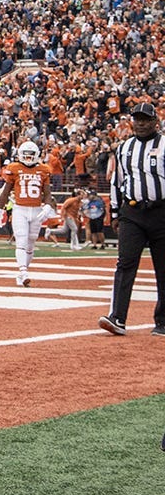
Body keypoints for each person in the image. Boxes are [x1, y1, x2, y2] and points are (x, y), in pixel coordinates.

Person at [98, 101, 165, 337]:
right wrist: (115, 212)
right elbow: (118, 181)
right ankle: (117, 316)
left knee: (163, 268)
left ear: (155, 122)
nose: (141, 124)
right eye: (137, 120)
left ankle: (163, 321)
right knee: (125, 263)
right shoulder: (124, 148)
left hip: (161, 212)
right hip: (133, 212)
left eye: (145, 120)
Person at [0, 141, 52, 286]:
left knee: (31, 242)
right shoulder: (14, 168)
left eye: (30, 155)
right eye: (25, 155)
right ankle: (23, 272)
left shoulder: (44, 169)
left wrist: (47, 206)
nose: (28, 158)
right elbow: (6, 192)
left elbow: (47, 193)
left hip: (36, 210)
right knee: (21, 240)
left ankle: (22, 273)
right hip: (20, 209)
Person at [82, 186, 109, 250]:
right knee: (93, 232)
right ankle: (94, 244)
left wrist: (105, 217)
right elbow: (87, 209)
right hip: (92, 217)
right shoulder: (90, 202)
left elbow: (104, 210)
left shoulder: (99, 202)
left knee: (99, 231)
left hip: (99, 217)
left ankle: (102, 244)